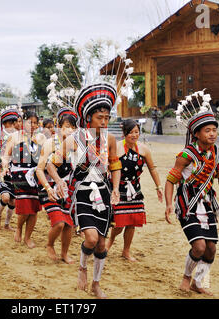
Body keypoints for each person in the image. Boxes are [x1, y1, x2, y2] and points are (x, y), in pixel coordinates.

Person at [54, 83, 122, 299]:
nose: (104, 121)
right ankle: (82, 267)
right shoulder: (75, 139)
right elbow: (51, 163)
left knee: (101, 244)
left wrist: (116, 189)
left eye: (107, 117)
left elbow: (115, 166)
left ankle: (96, 283)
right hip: (83, 193)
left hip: (103, 193)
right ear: (88, 118)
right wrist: (58, 182)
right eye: (99, 117)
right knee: (91, 239)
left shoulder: (110, 140)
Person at [165, 101, 219, 296]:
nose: (212, 134)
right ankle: (186, 278)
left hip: (207, 204)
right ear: (196, 134)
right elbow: (171, 180)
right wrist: (168, 204)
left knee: (211, 249)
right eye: (207, 130)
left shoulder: (217, 153)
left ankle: (199, 282)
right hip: (187, 205)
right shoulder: (186, 155)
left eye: (214, 130)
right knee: (199, 246)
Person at [106, 119, 163, 261]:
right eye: (131, 132)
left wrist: (158, 186)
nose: (134, 135)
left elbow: (152, 168)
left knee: (132, 222)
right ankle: (108, 244)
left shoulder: (144, 149)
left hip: (135, 189)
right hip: (118, 188)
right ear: (124, 133)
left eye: (136, 132)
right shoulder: (116, 147)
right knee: (119, 223)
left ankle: (126, 251)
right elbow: (108, 166)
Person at [36, 108, 78, 264]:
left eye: (73, 126)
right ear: (59, 126)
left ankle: (64, 253)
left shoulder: (76, 145)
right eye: (66, 126)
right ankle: (49, 244)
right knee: (59, 222)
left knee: (69, 224)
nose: (70, 130)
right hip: (48, 185)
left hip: (68, 188)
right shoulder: (49, 143)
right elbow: (40, 169)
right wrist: (48, 188)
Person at [1, 111, 46, 248]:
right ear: (22, 122)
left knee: (34, 207)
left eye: (34, 123)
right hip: (19, 174)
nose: (32, 125)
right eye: (29, 122)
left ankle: (28, 237)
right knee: (25, 205)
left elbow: (45, 156)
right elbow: (6, 155)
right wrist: (5, 167)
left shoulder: (41, 138)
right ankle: (19, 228)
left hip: (36, 175)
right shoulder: (14, 137)